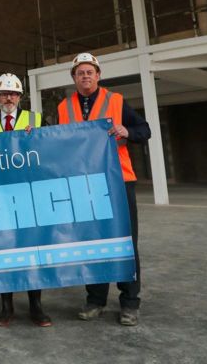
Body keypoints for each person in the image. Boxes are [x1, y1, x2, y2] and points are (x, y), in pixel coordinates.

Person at [57, 52, 150, 327]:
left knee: (125, 241)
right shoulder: (64, 107)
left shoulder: (116, 101)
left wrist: (127, 131)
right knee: (93, 241)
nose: (85, 76)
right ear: (74, 78)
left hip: (118, 181)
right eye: (80, 73)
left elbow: (144, 130)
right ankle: (95, 299)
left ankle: (130, 303)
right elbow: (56, 142)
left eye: (90, 72)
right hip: (84, 184)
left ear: (98, 75)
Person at [0, 73, 52, 328]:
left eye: (12, 93)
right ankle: (6, 306)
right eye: (3, 93)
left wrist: (38, 139)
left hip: (29, 195)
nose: (8, 98)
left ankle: (36, 306)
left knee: (32, 249)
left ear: (20, 97)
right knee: (4, 250)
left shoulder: (36, 120)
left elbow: (49, 152)